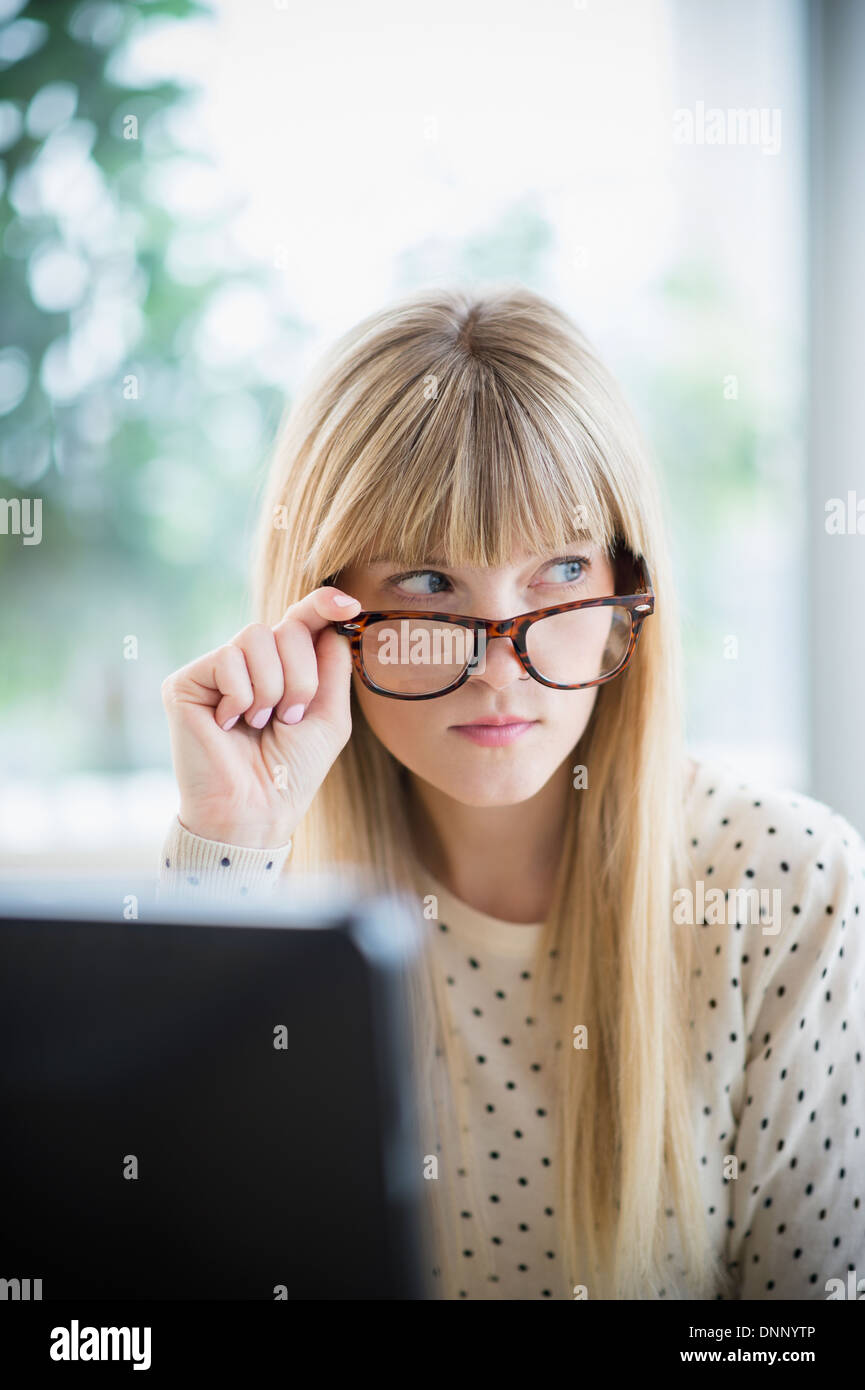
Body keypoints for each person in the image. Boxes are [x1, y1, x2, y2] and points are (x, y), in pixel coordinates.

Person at [159, 283, 865, 1301]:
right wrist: (227, 845)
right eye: (431, 584)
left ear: (628, 597)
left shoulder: (790, 888)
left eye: (559, 569)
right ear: (321, 612)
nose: (501, 668)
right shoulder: (255, 883)